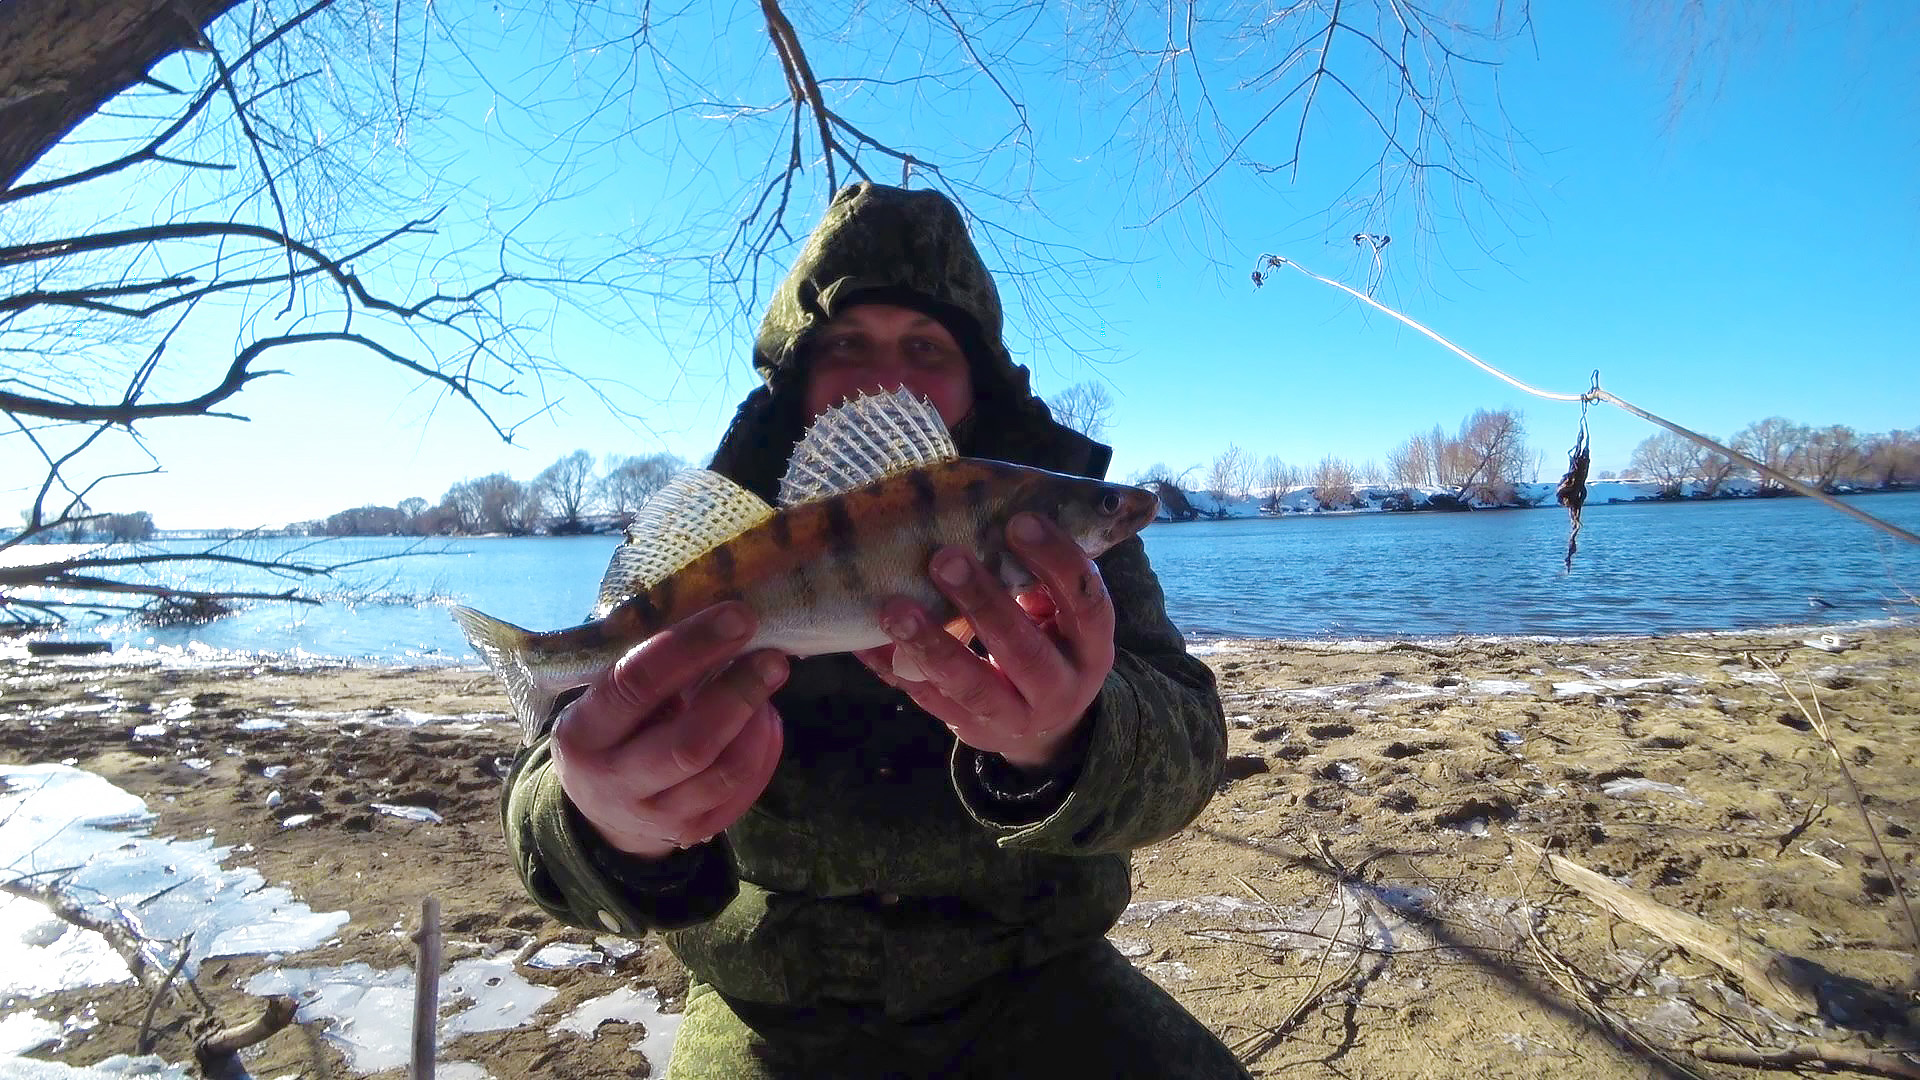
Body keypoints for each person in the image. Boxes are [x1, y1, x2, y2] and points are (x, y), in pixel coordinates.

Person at [501, 183, 1244, 1078]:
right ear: (796, 375)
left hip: (1034, 973)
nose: (884, 376)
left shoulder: (1054, 540)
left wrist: (1073, 739)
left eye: (925, 347)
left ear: (978, 379)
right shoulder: (724, 539)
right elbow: (549, 788)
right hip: (766, 1004)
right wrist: (603, 821)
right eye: (847, 343)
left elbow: (1190, 743)